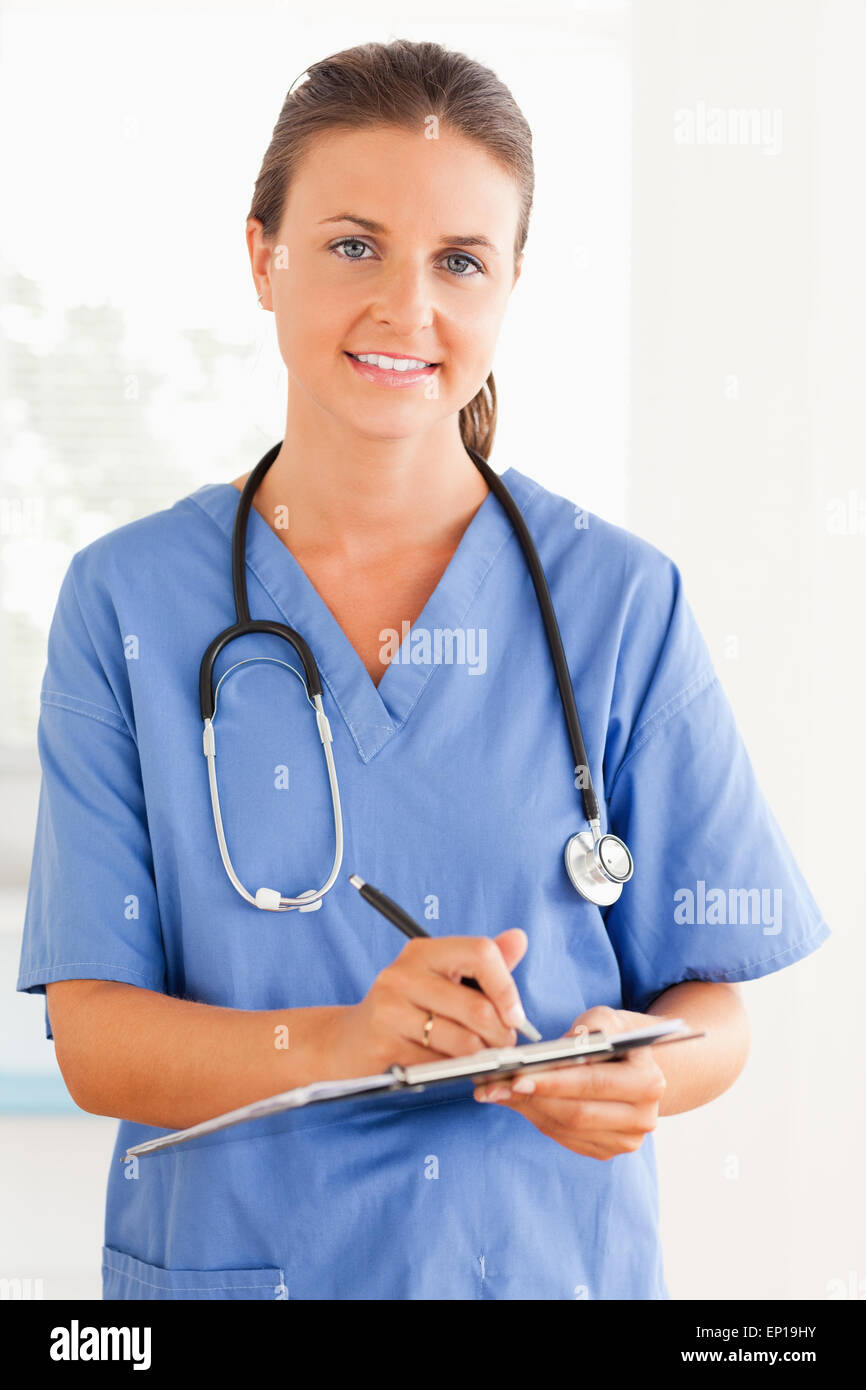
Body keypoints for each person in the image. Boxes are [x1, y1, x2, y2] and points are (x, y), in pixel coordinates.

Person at [17, 39, 829, 1301]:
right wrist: (344, 1040)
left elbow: (710, 1008)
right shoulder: (127, 602)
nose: (407, 308)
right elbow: (99, 1039)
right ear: (260, 258)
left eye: (459, 261)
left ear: (507, 287)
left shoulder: (617, 600)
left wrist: (641, 1071)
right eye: (352, 244)